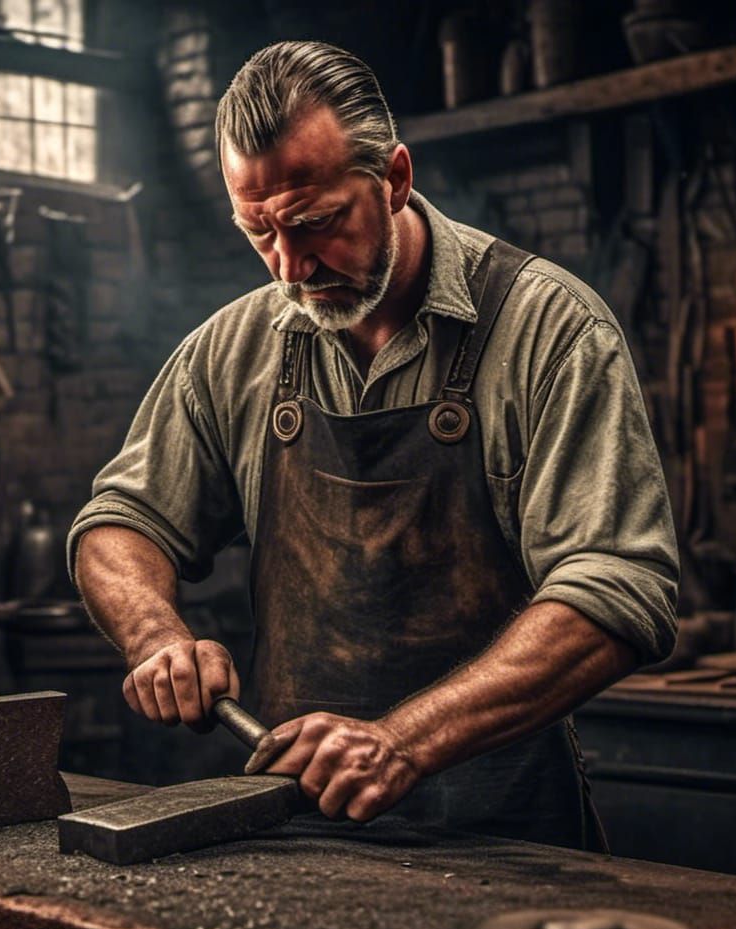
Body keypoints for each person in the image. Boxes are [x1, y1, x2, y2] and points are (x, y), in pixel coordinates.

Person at [69, 40, 678, 850]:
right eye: (259, 233)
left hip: (511, 843)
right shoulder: (235, 350)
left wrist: (403, 741)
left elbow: (619, 584)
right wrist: (157, 637)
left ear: (393, 179)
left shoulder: (551, 331)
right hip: (299, 828)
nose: (289, 266)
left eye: (316, 224)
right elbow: (120, 520)